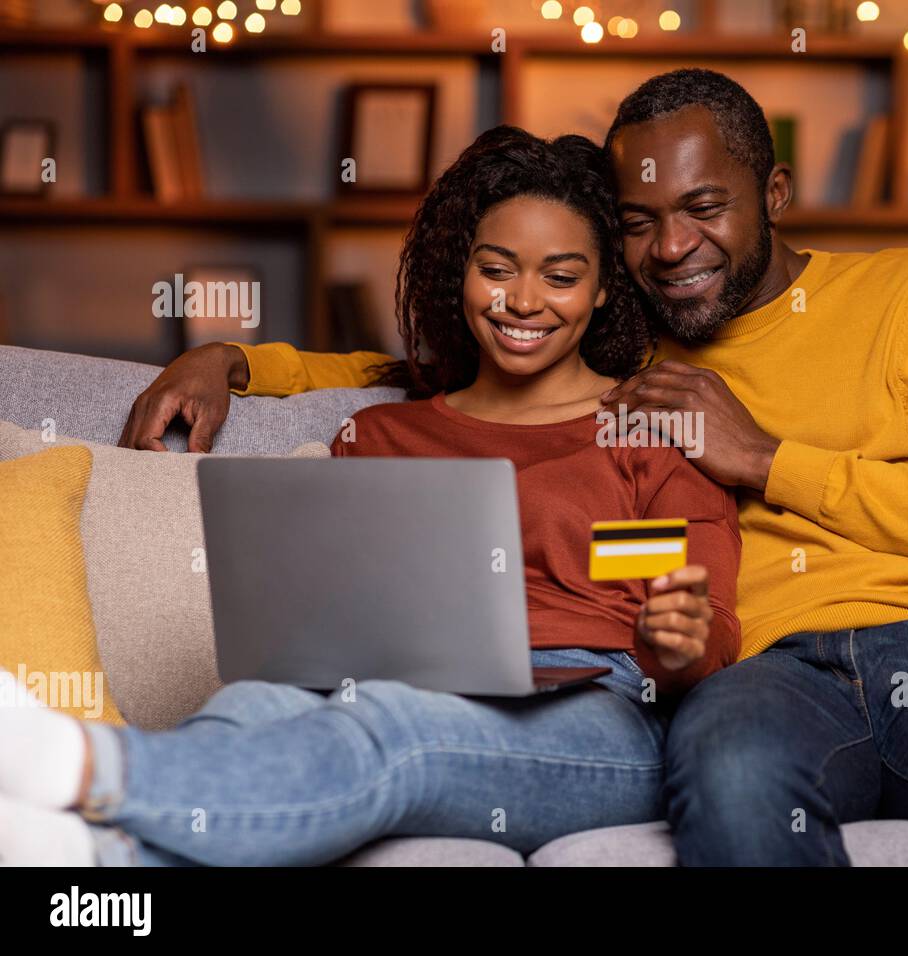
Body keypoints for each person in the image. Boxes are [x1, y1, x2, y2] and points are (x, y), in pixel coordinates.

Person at [114, 69, 908, 867]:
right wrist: (234, 359)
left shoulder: (907, 293)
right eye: (641, 222)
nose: (672, 248)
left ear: (774, 192)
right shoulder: (630, 335)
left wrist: (766, 459)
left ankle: (95, 785)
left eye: (705, 207)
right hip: (766, 672)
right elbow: (445, 373)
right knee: (733, 788)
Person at [0, 127, 740, 866]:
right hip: (397, 680)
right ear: (461, 272)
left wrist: (673, 644)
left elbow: (709, 631)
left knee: (391, 721)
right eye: (496, 269)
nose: (521, 301)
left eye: (560, 276)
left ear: (603, 287)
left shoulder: (649, 432)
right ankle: (93, 858)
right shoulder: (382, 432)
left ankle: (81, 763)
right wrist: (222, 357)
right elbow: (331, 611)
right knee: (253, 706)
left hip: (599, 710)